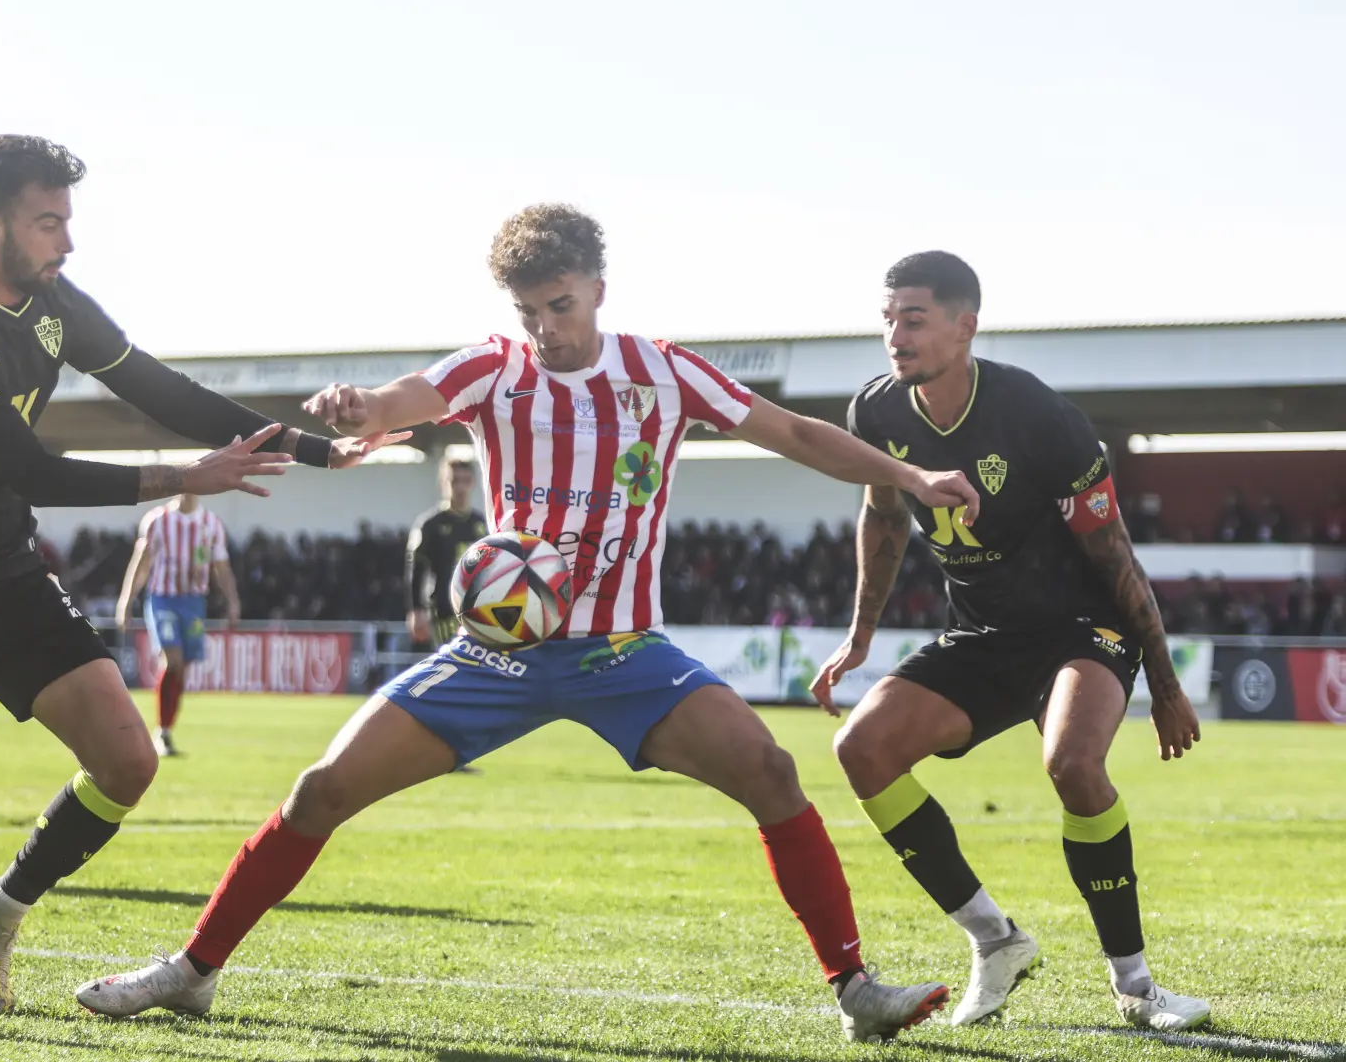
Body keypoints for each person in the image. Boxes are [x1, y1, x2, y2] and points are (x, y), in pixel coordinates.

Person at [76, 204, 983, 1043]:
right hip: (495, 656)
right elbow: (398, 404)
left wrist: (907, 478)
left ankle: (856, 991)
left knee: (771, 772)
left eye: (560, 305)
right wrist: (360, 410)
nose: (545, 329)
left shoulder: (660, 370)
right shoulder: (492, 370)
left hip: (626, 654)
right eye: (528, 312)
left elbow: (794, 433)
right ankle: (194, 970)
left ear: (597, 288)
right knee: (321, 789)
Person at [0, 134, 394, 1020]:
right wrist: (182, 479)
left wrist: (314, 449)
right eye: (48, 223)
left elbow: (163, 390)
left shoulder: (56, 303)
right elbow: (28, 467)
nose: (66, 242)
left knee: (127, 760)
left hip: (3, 562)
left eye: (67, 221)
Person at [814, 251, 1210, 1032]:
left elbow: (1114, 553)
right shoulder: (878, 414)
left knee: (1071, 763)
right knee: (861, 748)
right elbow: (885, 517)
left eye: (915, 319)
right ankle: (995, 940)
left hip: (1080, 626)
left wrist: (1163, 683)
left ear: (966, 326)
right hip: (983, 632)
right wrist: (860, 636)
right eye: (888, 319)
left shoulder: (1038, 416)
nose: (896, 335)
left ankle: (1136, 986)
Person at [115, 494, 240, 757]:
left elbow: (222, 567)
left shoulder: (211, 523)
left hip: (194, 603)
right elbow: (142, 562)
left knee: (181, 668)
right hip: (162, 599)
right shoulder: (157, 520)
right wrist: (126, 601)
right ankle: (161, 732)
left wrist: (233, 601)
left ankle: (166, 731)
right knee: (173, 660)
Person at [405, 458, 488, 649]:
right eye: (454, 481)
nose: (459, 487)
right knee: (453, 664)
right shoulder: (429, 524)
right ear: (443, 482)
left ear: (473, 483)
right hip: (445, 610)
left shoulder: (482, 524)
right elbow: (416, 567)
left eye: (465, 480)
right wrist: (416, 610)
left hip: (479, 610)